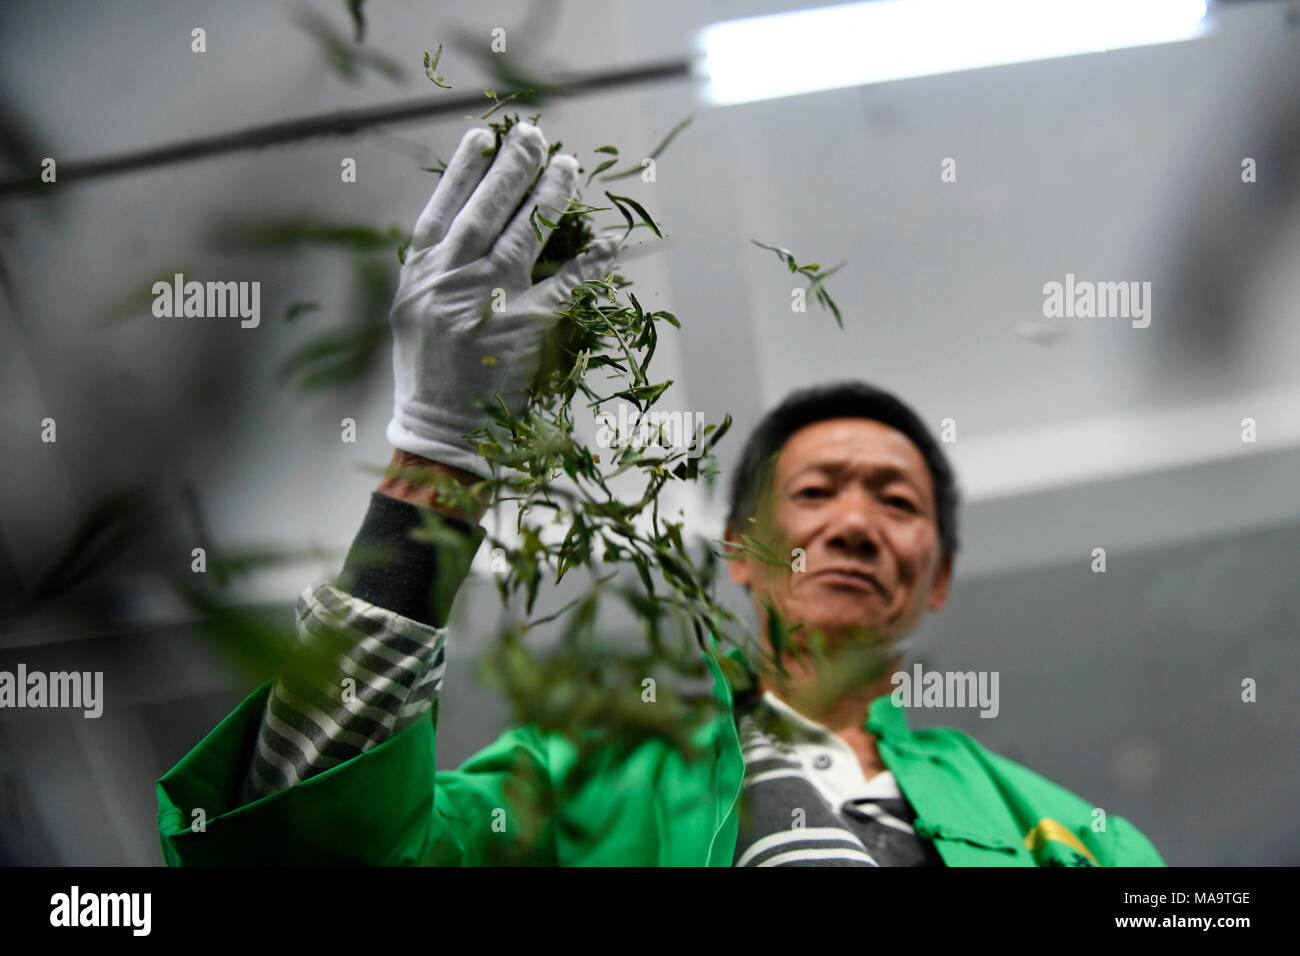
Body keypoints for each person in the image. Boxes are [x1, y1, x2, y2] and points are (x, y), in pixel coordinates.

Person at [156, 121, 1163, 866]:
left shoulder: (1071, 833)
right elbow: (305, 845)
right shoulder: (580, 781)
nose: (856, 522)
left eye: (898, 502)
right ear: (740, 549)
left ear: (936, 576)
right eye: (816, 490)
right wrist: (438, 460)